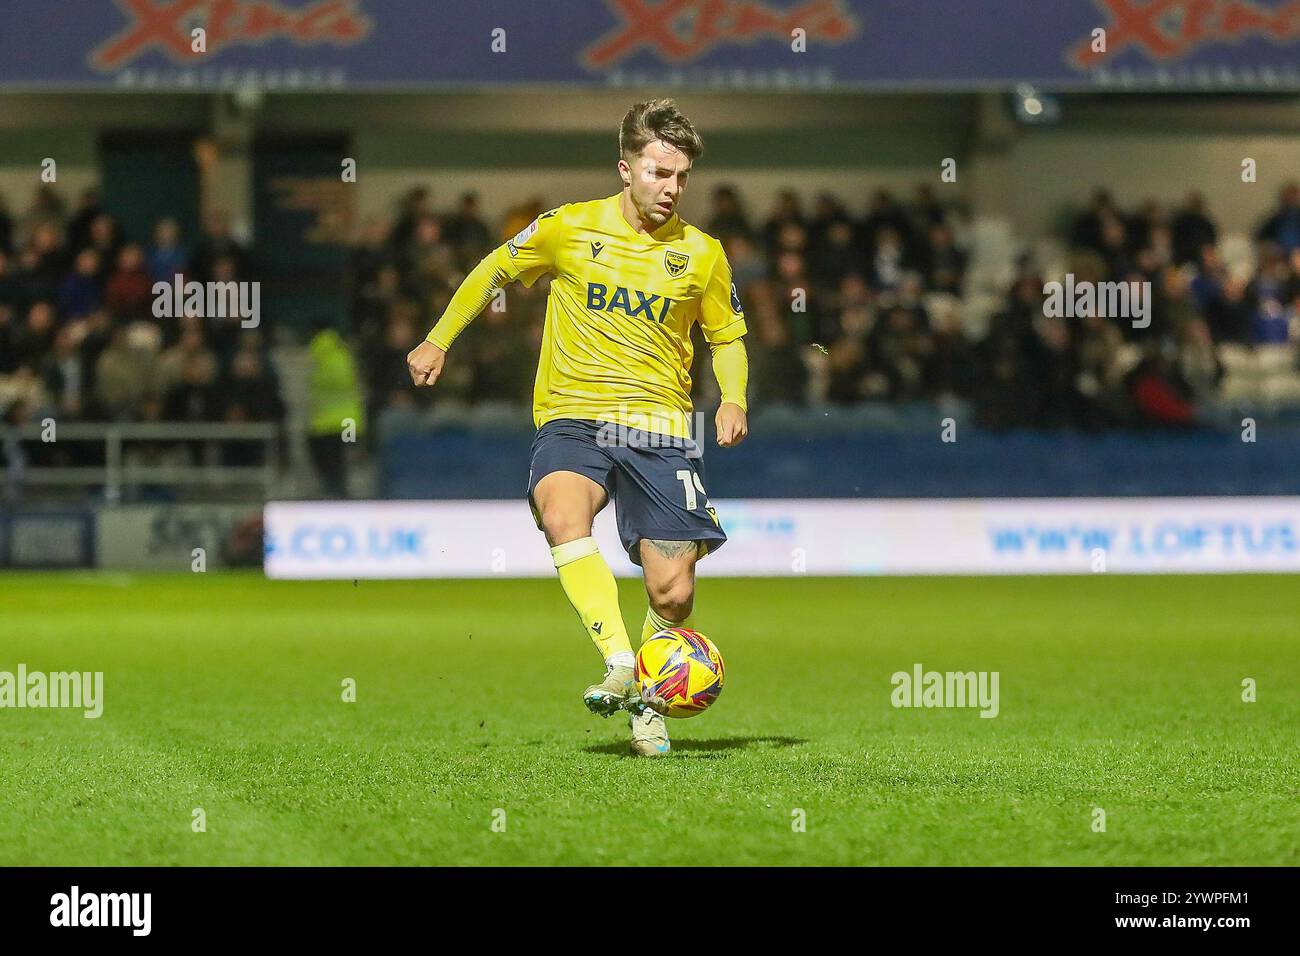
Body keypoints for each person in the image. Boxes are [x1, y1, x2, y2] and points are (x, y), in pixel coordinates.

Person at [406, 99, 749, 757]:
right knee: (562, 510)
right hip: (574, 413)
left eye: (681, 177)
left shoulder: (703, 254)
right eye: (659, 173)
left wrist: (732, 397)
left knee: (672, 594)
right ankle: (622, 662)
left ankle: (649, 701)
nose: (672, 188)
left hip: (658, 426)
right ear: (626, 169)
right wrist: (439, 338)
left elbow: (726, 336)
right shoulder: (568, 228)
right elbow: (495, 269)